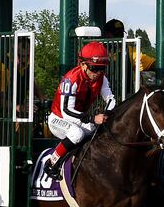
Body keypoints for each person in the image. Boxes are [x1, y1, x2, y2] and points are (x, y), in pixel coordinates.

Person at [44, 42, 115, 180]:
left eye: (102, 69)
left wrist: (107, 114)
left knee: (98, 130)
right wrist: (92, 118)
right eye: (95, 68)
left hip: (79, 118)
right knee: (77, 133)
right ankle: (51, 163)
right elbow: (66, 112)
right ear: (82, 64)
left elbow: (111, 99)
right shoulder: (71, 80)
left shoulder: (101, 78)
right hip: (59, 119)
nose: (98, 73)